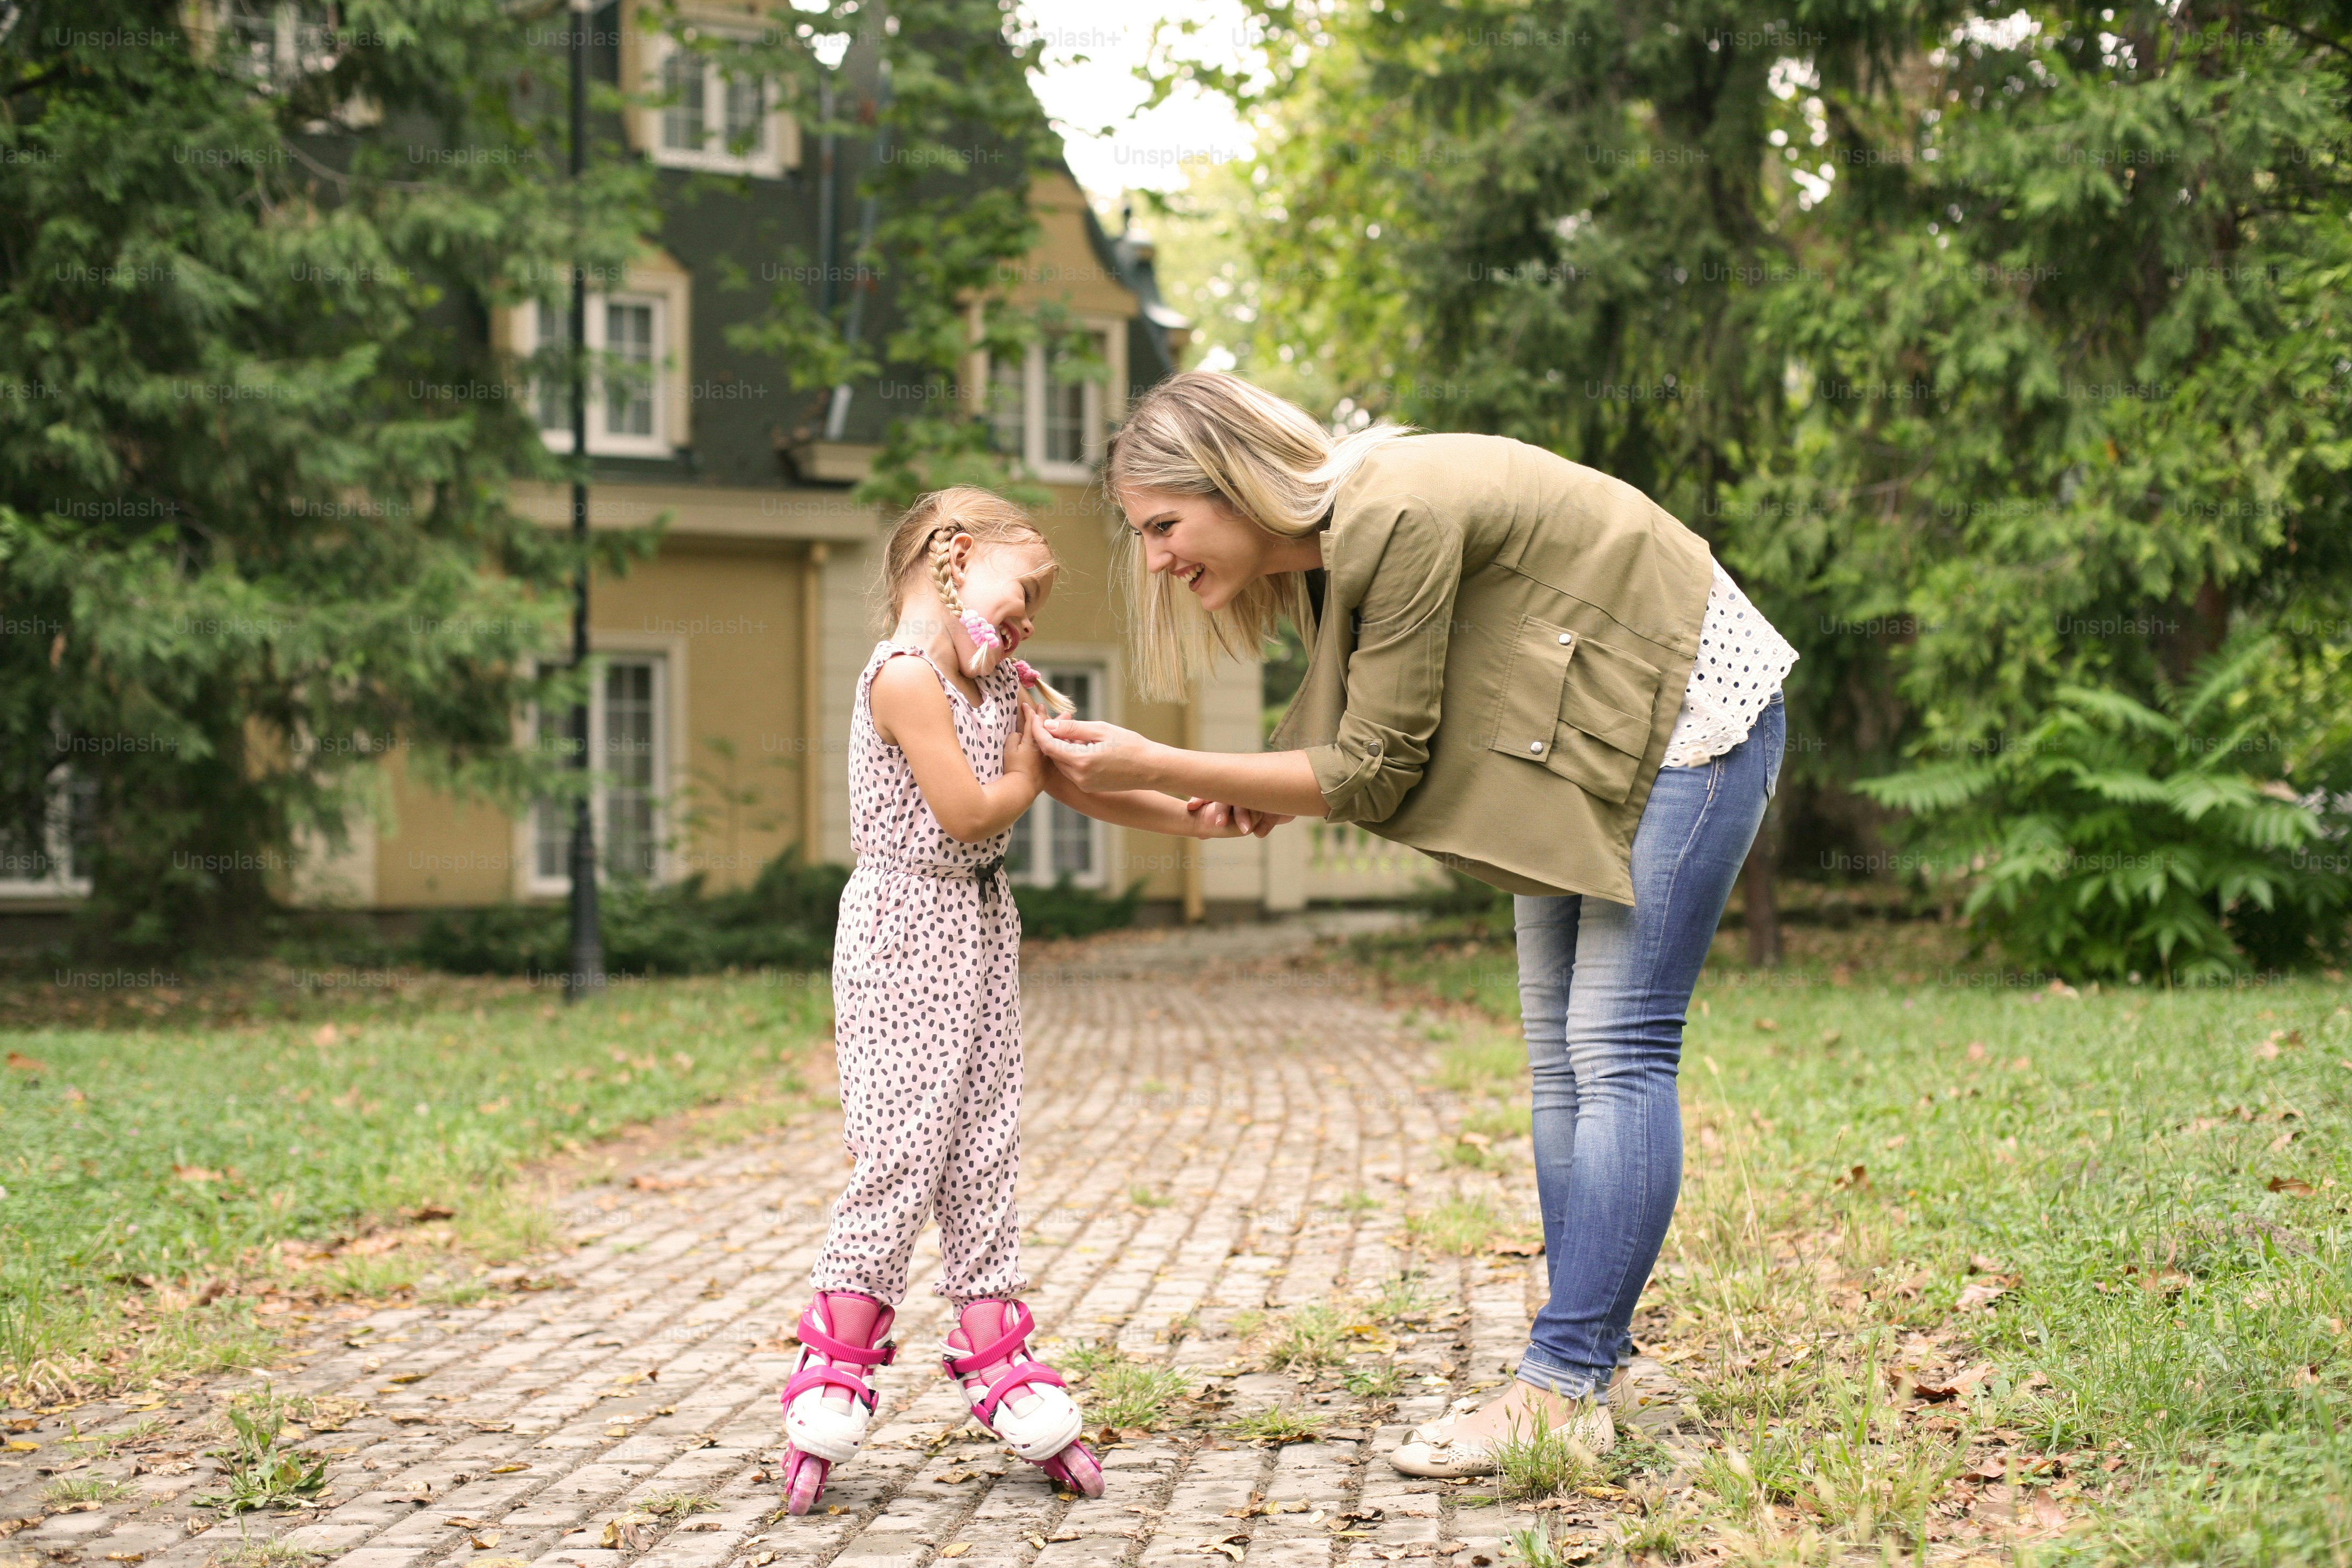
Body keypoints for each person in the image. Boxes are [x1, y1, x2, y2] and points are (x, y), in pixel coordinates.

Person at [1026, 373, 1796, 1473]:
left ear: (1232, 482)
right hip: (1585, 755)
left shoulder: (1393, 509)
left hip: (1692, 725)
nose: (1155, 558)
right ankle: (1603, 1363)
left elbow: (1372, 771)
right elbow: (1332, 766)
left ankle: (1562, 1383)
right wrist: (1123, 782)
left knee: (1618, 1050)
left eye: (1164, 525)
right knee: (1563, 1064)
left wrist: (1158, 758)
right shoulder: (1332, 564)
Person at [777, 486, 1252, 1513]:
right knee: (904, 1144)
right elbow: (966, 808)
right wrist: (1035, 768)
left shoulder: (1001, 682)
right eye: (1023, 588)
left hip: (981, 926)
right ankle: (839, 1350)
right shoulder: (905, 678)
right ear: (953, 556)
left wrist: (1195, 819)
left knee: (985, 1136)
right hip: (906, 928)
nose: (1033, 615)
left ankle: (992, 1333)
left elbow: (1078, 781)